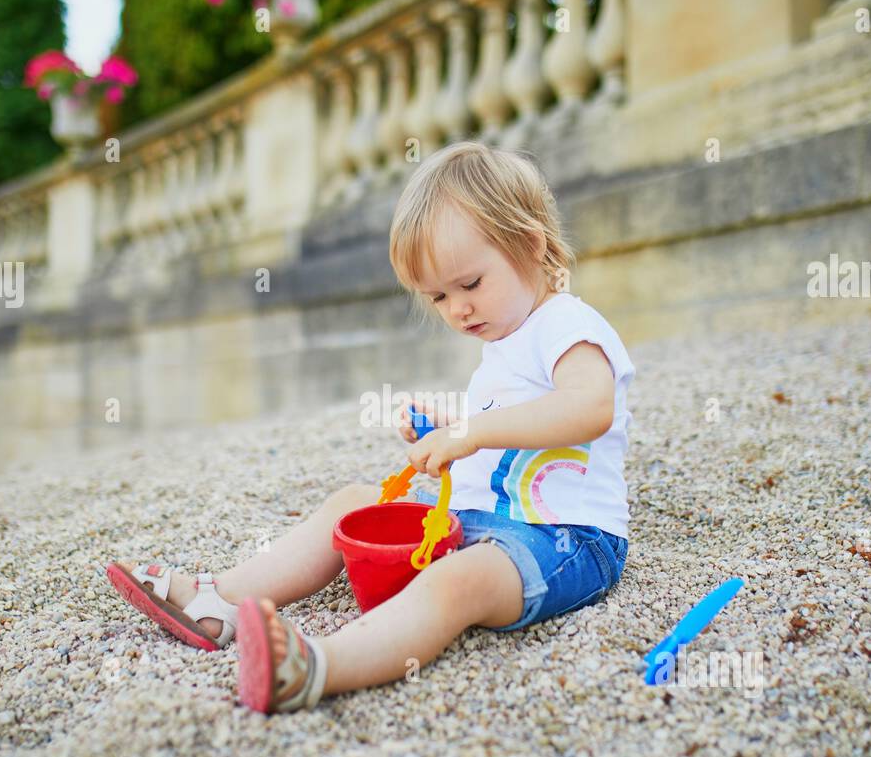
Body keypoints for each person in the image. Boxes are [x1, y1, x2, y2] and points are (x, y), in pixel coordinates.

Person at [107, 140, 635, 714]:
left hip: (565, 538)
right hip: (480, 521)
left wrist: (473, 434)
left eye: (470, 284)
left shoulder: (566, 322)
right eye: (437, 296)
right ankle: (220, 602)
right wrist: (449, 421)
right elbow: (508, 420)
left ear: (530, 244)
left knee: (456, 583)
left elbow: (588, 408)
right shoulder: (504, 340)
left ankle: (316, 667)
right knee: (353, 503)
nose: (457, 309)